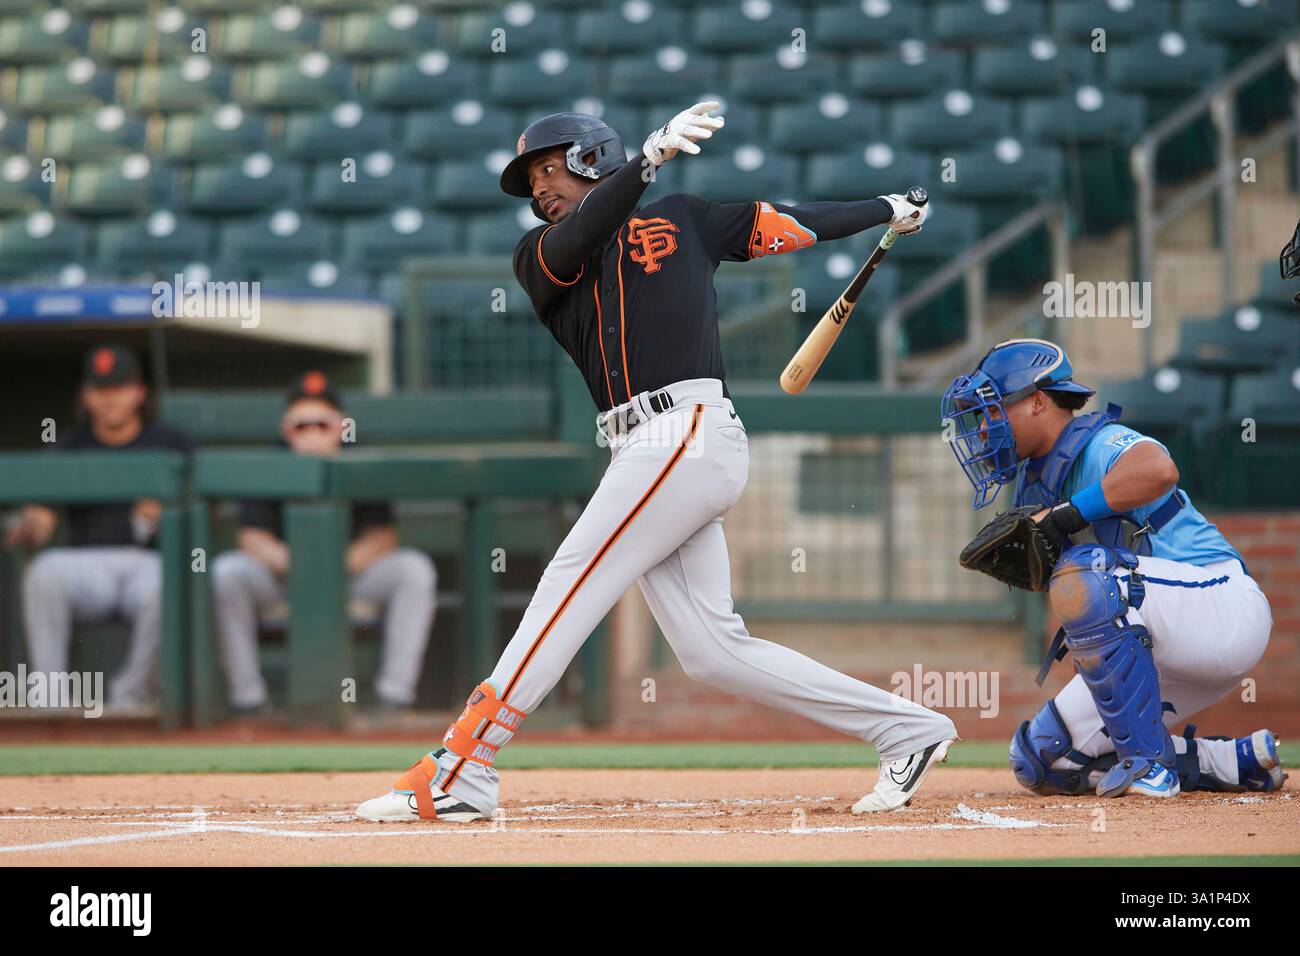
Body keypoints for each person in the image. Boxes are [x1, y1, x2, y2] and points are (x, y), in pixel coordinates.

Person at [358, 103, 956, 823]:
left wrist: (889, 207)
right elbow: (586, 229)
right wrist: (648, 159)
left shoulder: (686, 216)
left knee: (571, 580)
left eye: (552, 167)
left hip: (686, 431)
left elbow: (788, 221)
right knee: (710, 651)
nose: (541, 187)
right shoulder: (541, 254)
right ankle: (908, 728)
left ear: (589, 158)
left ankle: (464, 764)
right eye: (533, 177)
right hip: (646, 446)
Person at [942, 338, 1284, 798]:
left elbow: (1158, 469)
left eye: (994, 410)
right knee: (1044, 758)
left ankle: (1150, 768)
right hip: (1162, 640)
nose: (985, 429)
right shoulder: (1036, 483)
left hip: (1221, 608)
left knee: (1089, 578)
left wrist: (1067, 517)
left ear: (1038, 401)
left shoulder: (1098, 441)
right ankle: (1230, 763)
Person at [211, 371, 436, 715]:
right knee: (226, 573)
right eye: (302, 426)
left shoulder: (361, 464)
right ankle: (249, 702)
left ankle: (395, 698)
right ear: (286, 429)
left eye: (322, 424)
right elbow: (252, 539)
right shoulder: (267, 464)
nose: (313, 434)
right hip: (282, 582)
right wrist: (302, 565)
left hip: (349, 581)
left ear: (341, 427)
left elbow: (382, 538)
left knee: (413, 570)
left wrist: (330, 565)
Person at [5, 344, 195, 711]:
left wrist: (164, 511)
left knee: (164, 581)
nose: (110, 400)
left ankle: (131, 697)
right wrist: (27, 525)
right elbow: (41, 519)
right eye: (101, 390)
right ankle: (49, 699)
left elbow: (205, 513)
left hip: (147, 563)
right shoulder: (70, 445)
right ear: (87, 396)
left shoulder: (171, 442)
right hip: (87, 566)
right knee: (45, 571)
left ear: (139, 392)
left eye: (120, 388)